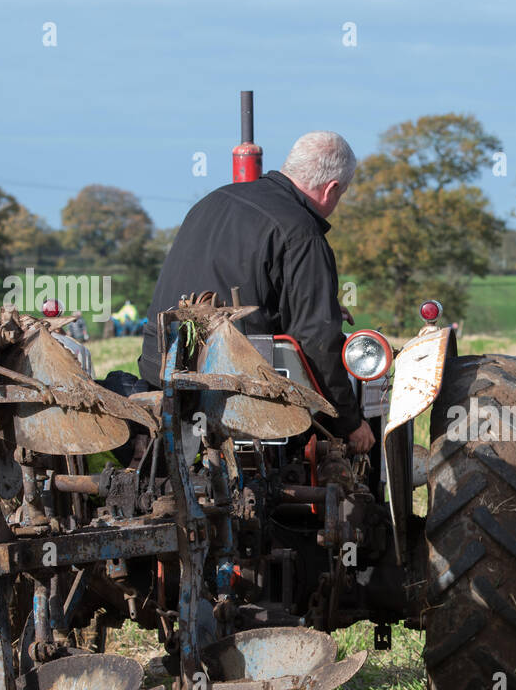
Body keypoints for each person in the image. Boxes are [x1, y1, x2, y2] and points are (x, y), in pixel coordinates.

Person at [137, 131, 374, 454]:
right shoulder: (302, 233)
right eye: (341, 194)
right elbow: (317, 340)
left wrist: (321, 307)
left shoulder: (212, 201)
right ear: (332, 188)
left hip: (160, 369)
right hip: (236, 388)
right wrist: (348, 423)